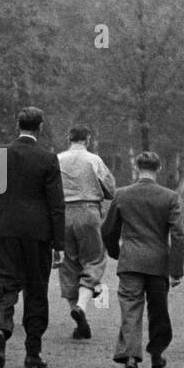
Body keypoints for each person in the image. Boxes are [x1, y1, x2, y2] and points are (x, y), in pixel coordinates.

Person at [0, 107, 65, 368]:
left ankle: (1, 327)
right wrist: (58, 243)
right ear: (40, 127)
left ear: (18, 125)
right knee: (36, 291)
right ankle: (33, 352)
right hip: (38, 234)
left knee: (6, 285)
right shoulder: (48, 159)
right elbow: (56, 204)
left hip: (3, 230)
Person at [100, 151, 184, 368]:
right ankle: (156, 354)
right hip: (158, 263)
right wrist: (176, 269)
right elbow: (177, 235)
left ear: (137, 168)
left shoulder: (122, 194)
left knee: (131, 310)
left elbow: (107, 230)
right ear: (158, 169)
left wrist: (116, 252)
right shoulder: (170, 197)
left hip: (130, 262)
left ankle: (130, 358)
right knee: (159, 310)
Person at [57, 124, 116, 338]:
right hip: (88, 211)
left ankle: (78, 317)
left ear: (68, 138)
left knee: (68, 263)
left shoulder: (57, 159)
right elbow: (110, 189)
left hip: (62, 213)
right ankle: (81, 306)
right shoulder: (94, 160)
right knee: (94, 259)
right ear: (88, 139)